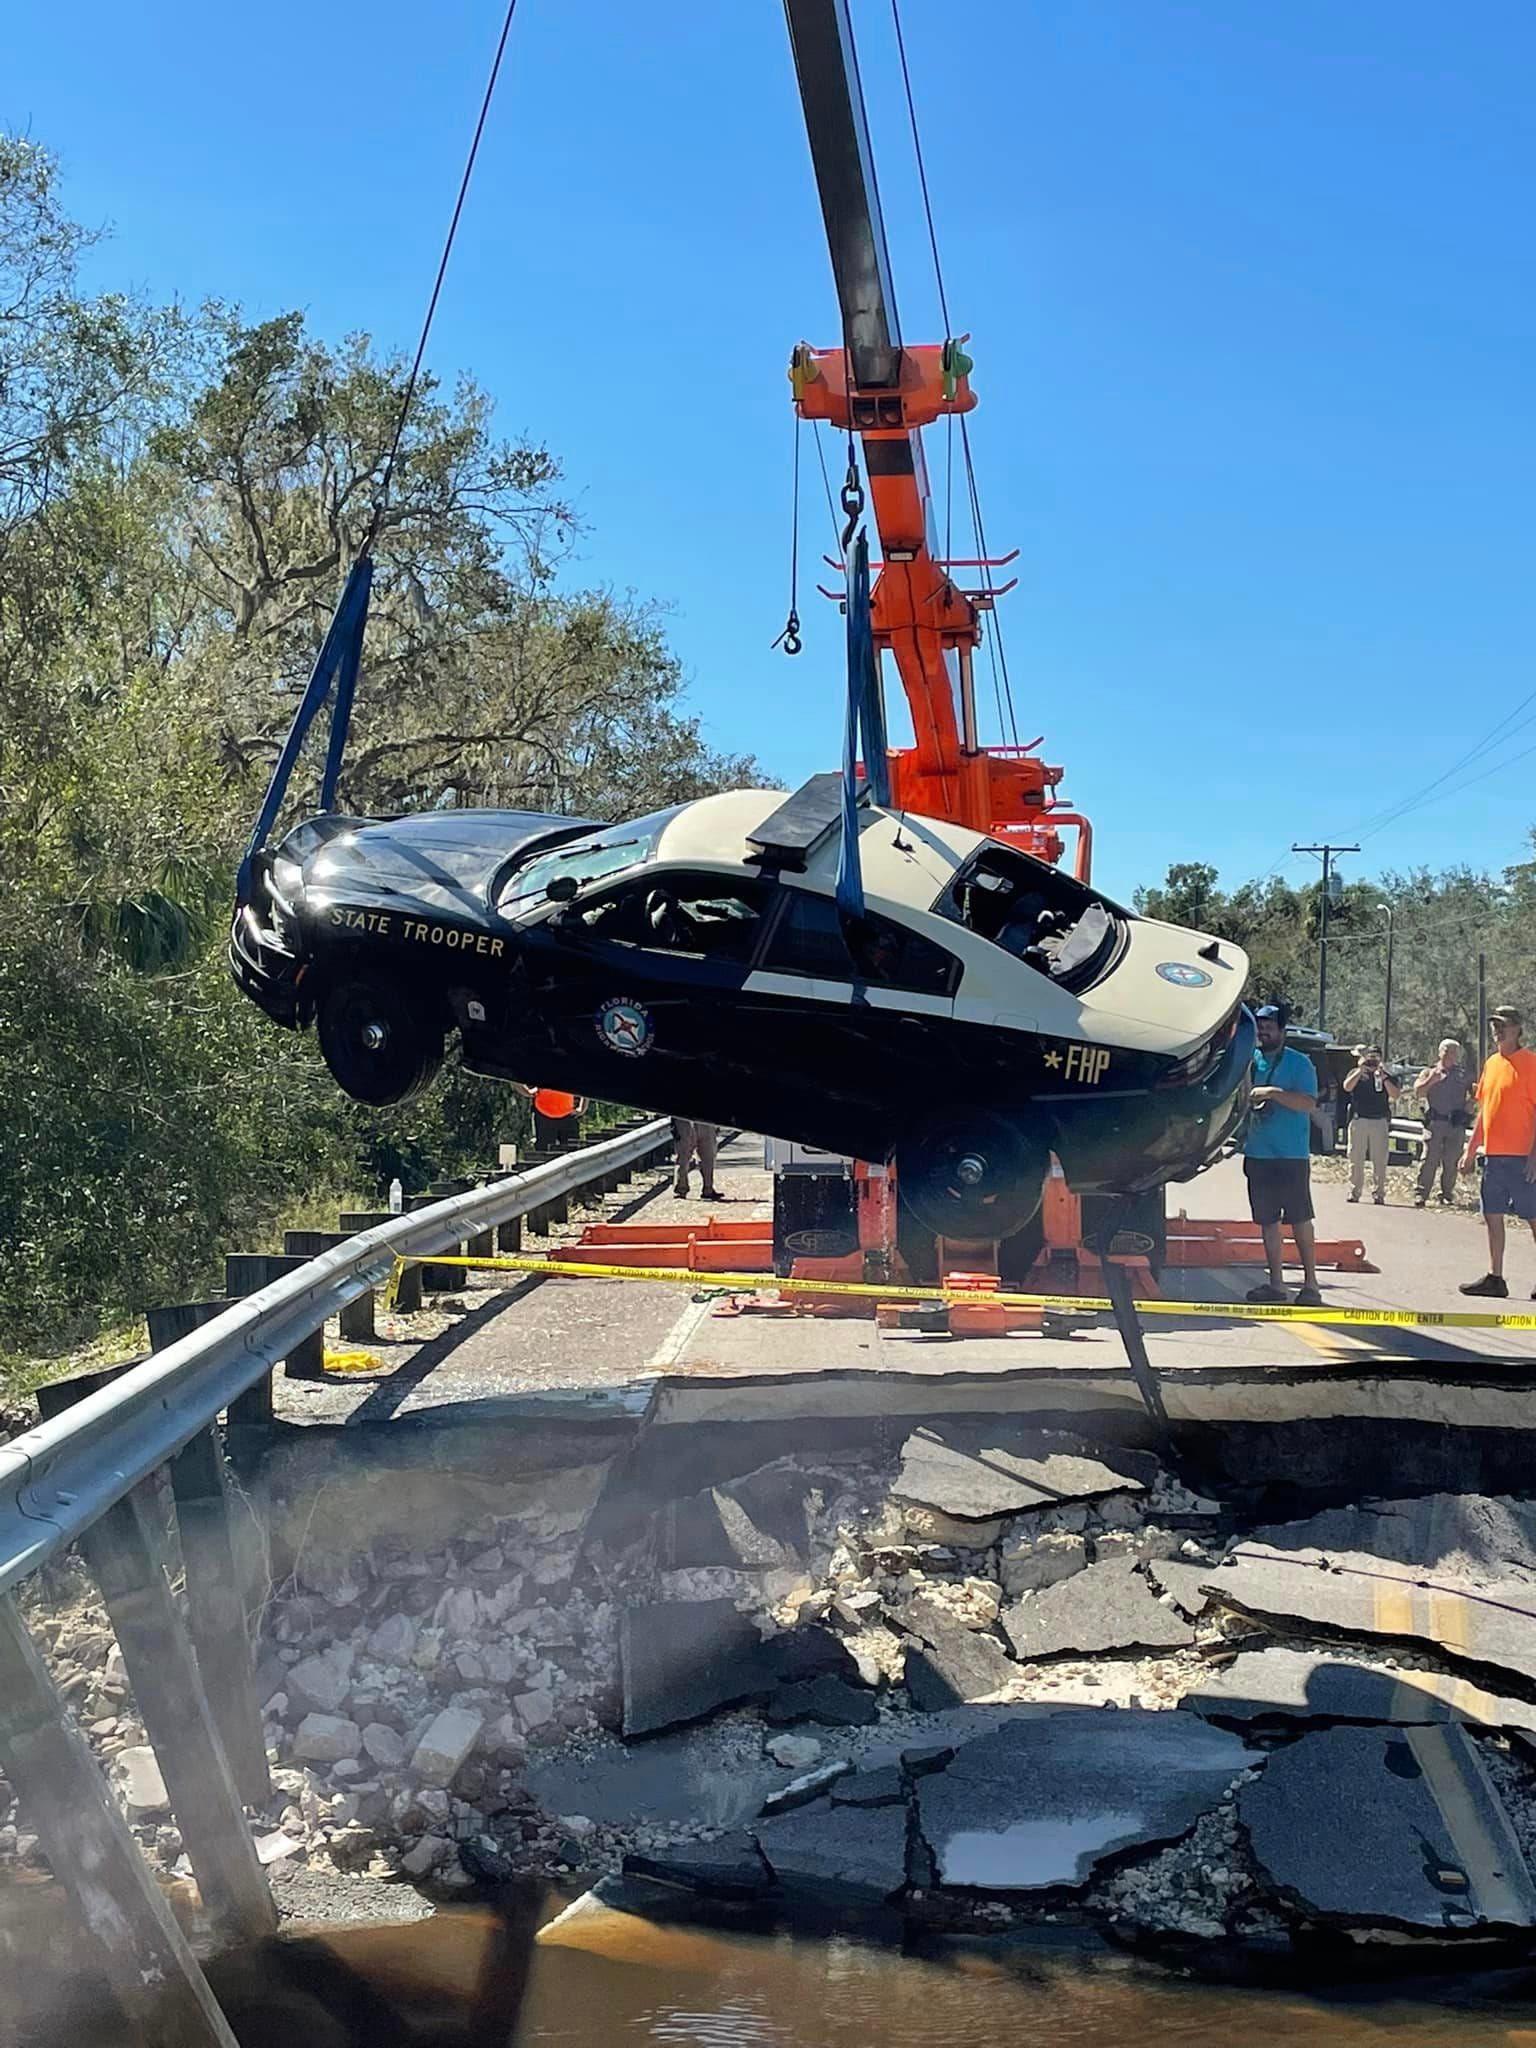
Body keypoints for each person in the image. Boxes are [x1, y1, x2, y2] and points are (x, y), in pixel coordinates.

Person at [1242, 1003, 1324, 1306]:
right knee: (1267, 1221)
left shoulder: (1300, 1063)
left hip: (1291, 1156)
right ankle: (1276, 1284)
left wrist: (1273, 1093)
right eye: (1259, 1028)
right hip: (1258, 1154)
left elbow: (1307, 1104)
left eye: (1269, 1028)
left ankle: (1311, 1285)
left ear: (1282, 1031)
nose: (1263, 1033)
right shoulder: (1250, 1062)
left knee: (1300, 1219)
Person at [1459, 1005, 1536, 1298]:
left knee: (1533, 1217)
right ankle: (1496, 1277)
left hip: (1522, 1158)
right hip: (1494, 1157)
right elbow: (1485, 1112)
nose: (1497, 1031)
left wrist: (1534, 1157)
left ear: (1517, 1029)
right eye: (1494, 1026)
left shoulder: (1531, 1063)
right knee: (1492, 1215)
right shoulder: (1491, 1063)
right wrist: (1470, 1149)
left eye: (1502, 1025)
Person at [1414, 1038, 1472, 1207]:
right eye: (1446, 1050)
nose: (1450, 1054)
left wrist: (1471, 1103)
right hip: (1435, 1123)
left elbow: (1477, 1092)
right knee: (1429, 1160)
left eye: (1454, 1051)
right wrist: (1431, 1081)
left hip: (1455, 1125)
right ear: (1440, 1052)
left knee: (1451, 1161)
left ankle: (1446, 1194)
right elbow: (1418, 1092)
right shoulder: (1429, 1072)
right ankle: (1421, 1193)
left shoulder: (1463, 1075)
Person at [1341, 1046, 1398, 1205]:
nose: (1372, 1060)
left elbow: (1395, 1095)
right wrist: (1360, 1070)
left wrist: (1383, 1077)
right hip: (1359, 1120)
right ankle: (1354, 1191)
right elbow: (1347, 1087)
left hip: (1379, 1121)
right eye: (1370, 1057)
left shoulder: (1388, 1075)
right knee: (1355, 1157)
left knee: (1379, 1159)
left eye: (1376, 1057)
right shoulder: (1356, 1073)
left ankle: (1379, 1193)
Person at [673, 1118, 726, 1201]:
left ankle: (708, 1189)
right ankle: (680, 1190)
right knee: (683, 1155)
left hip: (705, 1121)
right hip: (684, 1120)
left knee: (708, 1155)